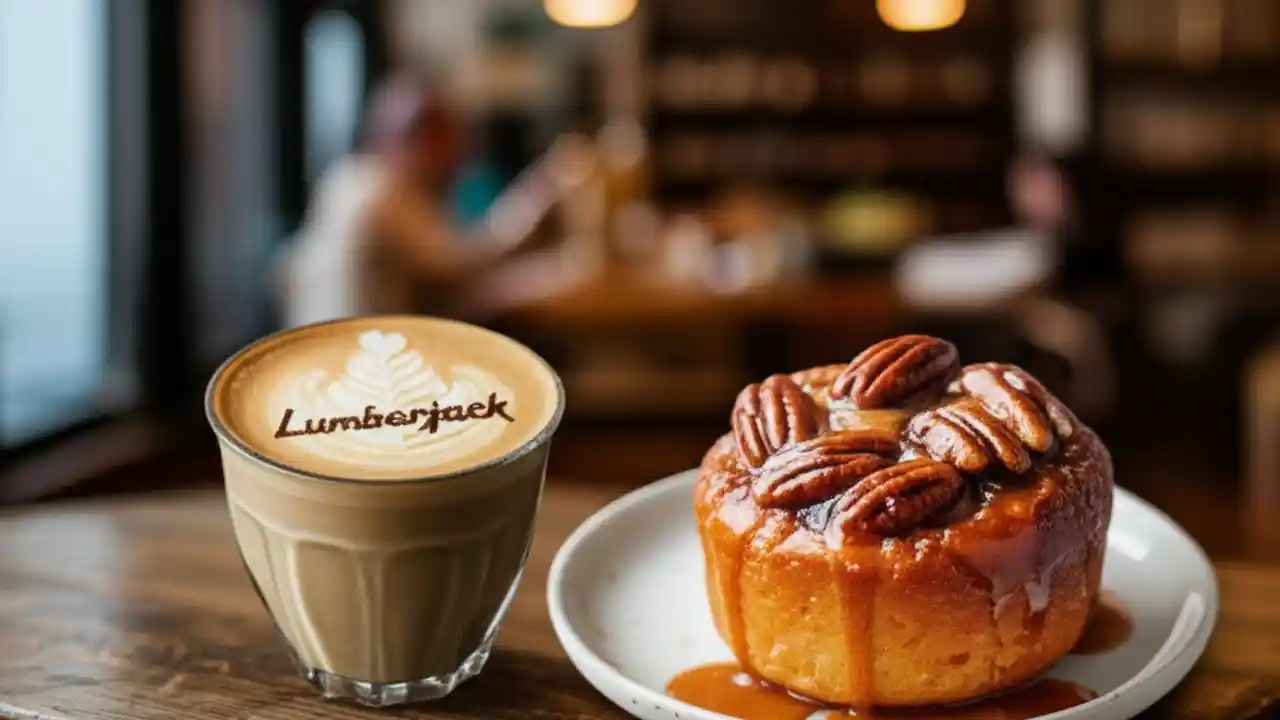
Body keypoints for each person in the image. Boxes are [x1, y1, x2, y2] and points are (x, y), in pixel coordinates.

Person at [281, 76, 538, 326]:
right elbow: (466, 261)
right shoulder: (387, 193)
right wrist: (540, 195)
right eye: (454, 140)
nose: (462, 157)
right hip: (365, 357)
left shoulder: (345, 177)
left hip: (316, 350)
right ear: (427, 139)